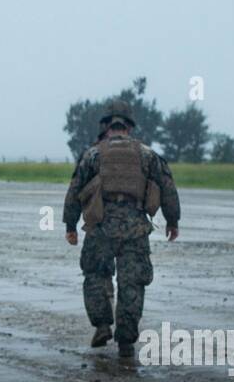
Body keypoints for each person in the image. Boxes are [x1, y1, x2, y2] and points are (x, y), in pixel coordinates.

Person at [62, 99, 181, 355]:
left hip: (99, 227)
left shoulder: (92, 154)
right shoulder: (147, 154)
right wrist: (173, 220)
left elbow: (74, 191)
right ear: (129, 126)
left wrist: (70, 225)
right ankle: (126, 341)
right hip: (135, 230)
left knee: (96, 275)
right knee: (132, 283)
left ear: (107, 126)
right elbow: (168, 188)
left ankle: (102, 325)